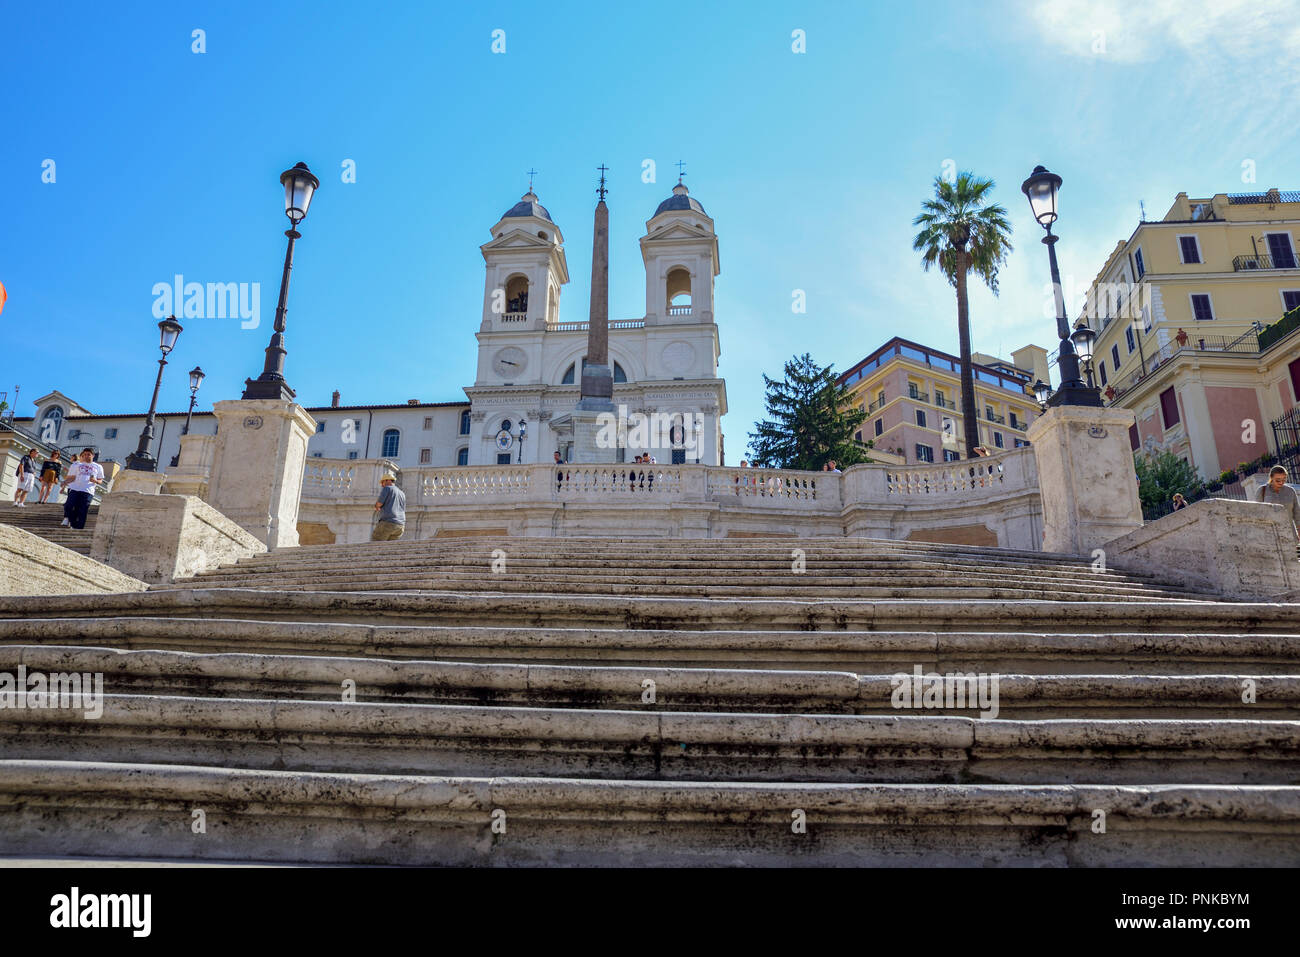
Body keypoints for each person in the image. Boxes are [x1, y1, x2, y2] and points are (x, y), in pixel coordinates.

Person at [59, 448, 103, 529]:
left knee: (82, 509)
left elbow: (100, 480)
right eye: (85, 454)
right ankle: (68, 518)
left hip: (88, 490)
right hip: (75, 488)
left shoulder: (98, 466)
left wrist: (95, 480)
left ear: (93, 456)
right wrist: (65, 482)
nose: (86, 456)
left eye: (88, 454)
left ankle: (78, 527)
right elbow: (72, 477)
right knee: (69, 505)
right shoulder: (77, 465)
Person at [1256, 465, 1300, 540]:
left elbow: (1297, 514)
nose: (1281, 482)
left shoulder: (1290, 491)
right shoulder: (1262, 491)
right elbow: (1257, 513)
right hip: (1270, 534)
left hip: (1290, 534)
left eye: (1284, 479)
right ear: (1271, 477)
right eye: (1278, 480)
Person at [371, 472, 406, 541]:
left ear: (388, 480)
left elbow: (379, 504)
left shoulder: (387, 488)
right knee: (388, 548)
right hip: (400, 526)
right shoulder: (402, 493)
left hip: (388, 523)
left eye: (382, 482)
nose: (382, 485)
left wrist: (376, 506)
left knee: (375, 544)